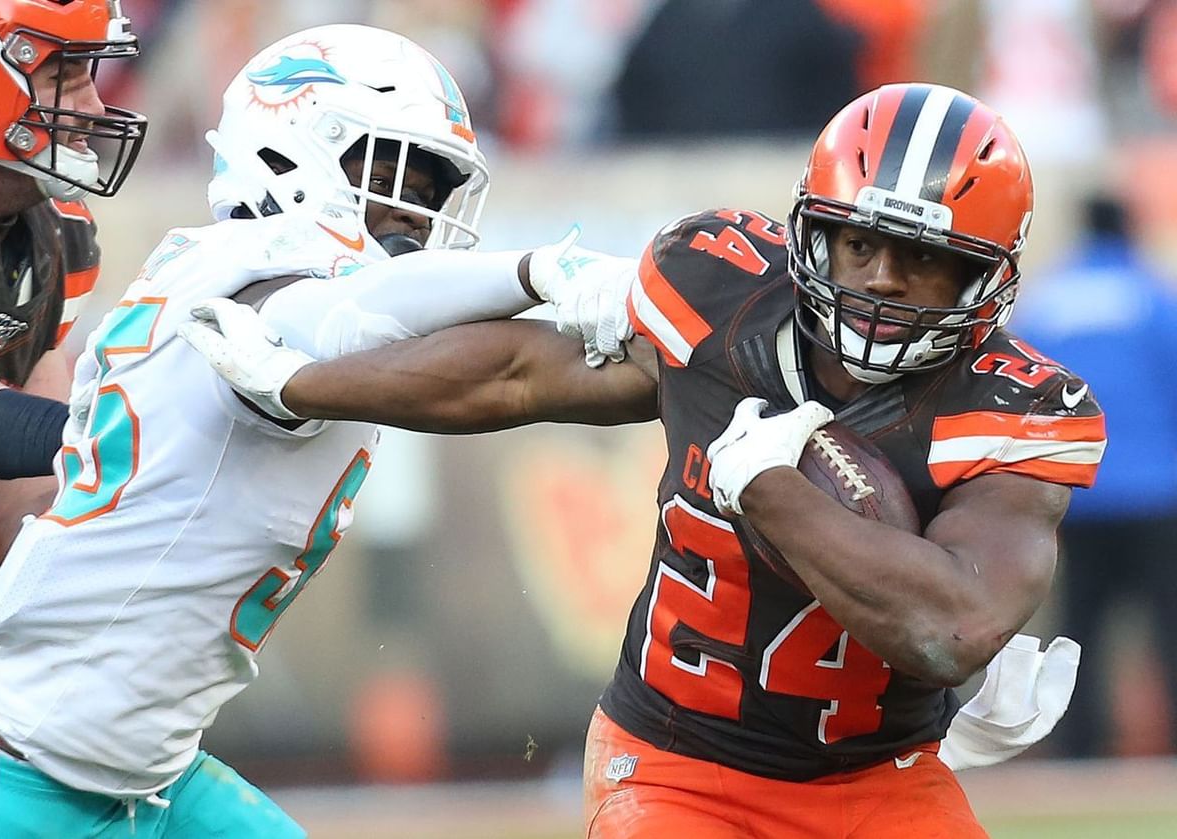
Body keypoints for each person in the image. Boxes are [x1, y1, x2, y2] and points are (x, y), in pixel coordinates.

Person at [185, 82, 1107, 838]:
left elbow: (948, 629)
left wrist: (771, 490)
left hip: (881, 775)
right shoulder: (725, 298)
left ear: (988, 276)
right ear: (812, 233)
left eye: (921, 257)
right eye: (858, 243)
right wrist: (302, 380)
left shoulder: (1016, 406)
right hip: (679, 770)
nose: (879, 280)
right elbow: (514, 372)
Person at [0, 23, 632, 837]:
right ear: (291, 153)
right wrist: (540, 271)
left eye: (432, 188)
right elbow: (403, 334)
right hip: (32, 778)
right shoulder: (265, 297)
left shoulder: (227, 269)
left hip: (141, 769)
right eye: (394, 174)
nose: (415, 214)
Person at [0, 0, 147, 563]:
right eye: (62, 77)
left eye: (87, 74)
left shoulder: (61, 238)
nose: (94, 106)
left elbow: (24, 504)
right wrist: (137, 433)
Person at [1012, 193, 1177, 757]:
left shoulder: (1048, 301)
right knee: (1169, 625)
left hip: (1079, 494)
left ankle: (1080, 749)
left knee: (1081, 627)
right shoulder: (1154, 295)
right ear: (1129, 227)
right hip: (1158, 493)